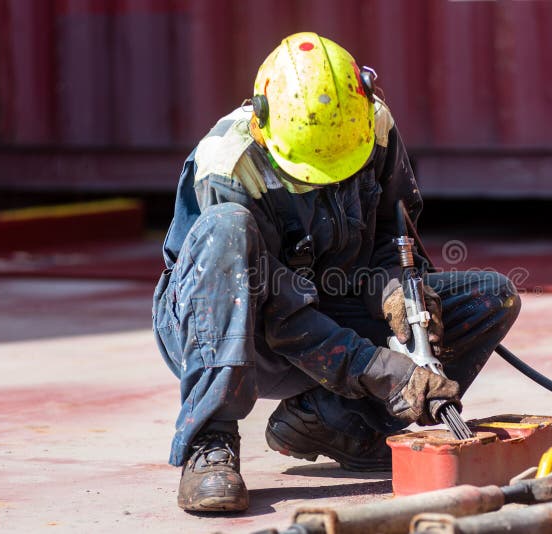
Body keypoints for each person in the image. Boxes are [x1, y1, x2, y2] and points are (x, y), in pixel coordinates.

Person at [152, 32, 521, 512]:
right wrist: (381, 371)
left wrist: (398, 296)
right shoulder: (227, 165)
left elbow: (397, 236)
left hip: (331, 302)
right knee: (226, 230)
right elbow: (276, 316)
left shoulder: (371, 126)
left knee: (490, 297)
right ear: (264, 126)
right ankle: (210, 445)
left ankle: (335, 423)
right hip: (236, 328)